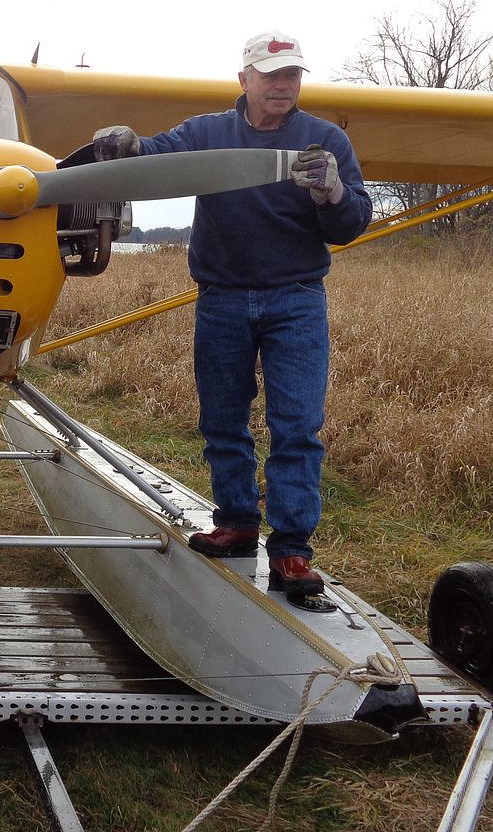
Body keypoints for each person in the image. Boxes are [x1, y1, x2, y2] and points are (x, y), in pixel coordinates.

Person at [91, 32, 371, 596]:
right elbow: (155, 155)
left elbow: (352, 223)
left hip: (296, 298)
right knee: (223, 420)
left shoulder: (324, 139)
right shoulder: (208, 133)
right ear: (245, 79)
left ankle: (292, 551)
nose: (282, 84)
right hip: (221, 298)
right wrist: (127, 144)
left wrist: (333, 194)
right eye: (270, 74)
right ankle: (237, 523)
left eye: (291, 74)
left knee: (297, 426)